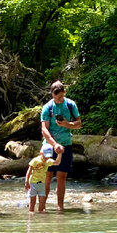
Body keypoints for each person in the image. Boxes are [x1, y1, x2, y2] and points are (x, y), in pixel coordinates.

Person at [40, 80, 82, 212]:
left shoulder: (70, 105)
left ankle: (60, 207)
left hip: (66, 145)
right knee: (47, 175)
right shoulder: (47, 107)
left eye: (61, 97)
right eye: (56, 97)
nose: (59, 99)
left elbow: (79, 124)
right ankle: (42, 207)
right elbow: (44, 130)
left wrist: (67, 124)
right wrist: (54, 144)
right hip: (49, 146)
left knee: (61, 177)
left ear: (64, 92)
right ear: (52, 95)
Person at [25, 142, 63, 213]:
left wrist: (59, 154)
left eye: (48, 156)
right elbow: (29, 171)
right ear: (41, 153)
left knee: (42, 202)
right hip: (33, 183)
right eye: (45, 156)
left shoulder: (48, 161)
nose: (46, 158)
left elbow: (57, 162)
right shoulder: (35, 160)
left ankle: (41, 217)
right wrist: (26, 181)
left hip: (42, 184)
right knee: (32, 202)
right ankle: (31, 216)